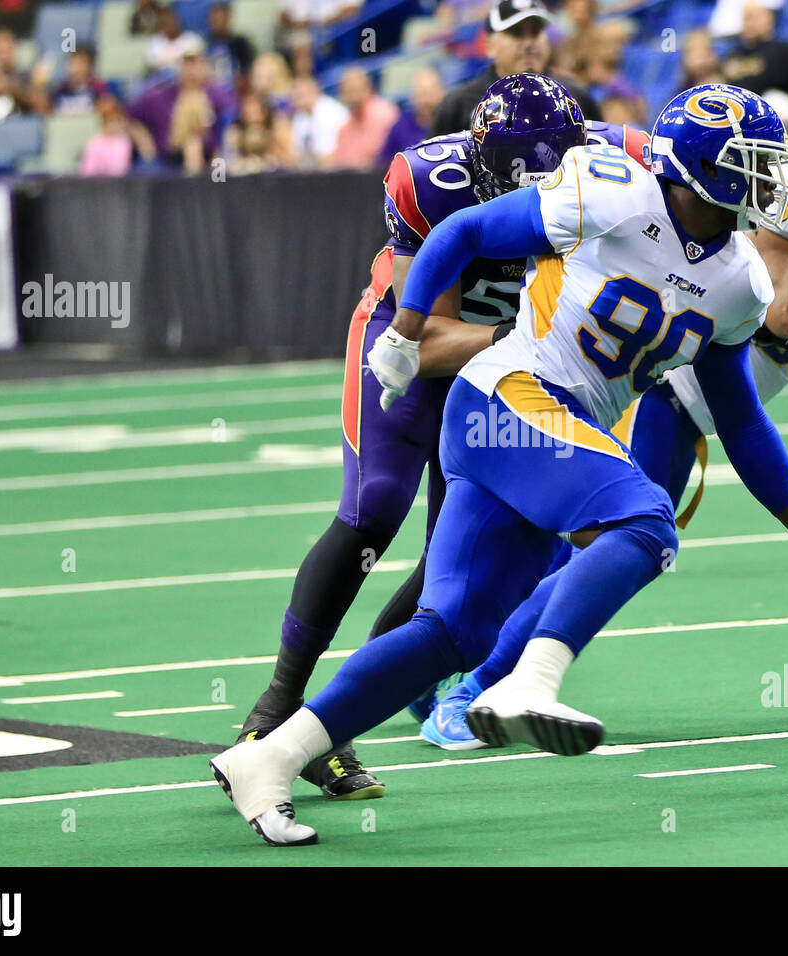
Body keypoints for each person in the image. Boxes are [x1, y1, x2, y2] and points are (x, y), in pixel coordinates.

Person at [212, 83, 788, 845]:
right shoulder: (611, 189)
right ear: (701, 169)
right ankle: (533, 680)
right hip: (509, 395)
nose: (770, 182)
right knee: (643, 519)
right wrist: (403, 328)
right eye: (753, 164)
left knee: (453, 631)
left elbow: (740, 419)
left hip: (539, 423)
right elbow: (461, 232)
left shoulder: (742, 282)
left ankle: (268, 757)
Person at [422, 111, 788, 749]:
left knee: (584, 556)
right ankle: (477, 687)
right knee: (606, 549)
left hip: (666, 410)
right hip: (636, 400)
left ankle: (468, 678)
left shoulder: (775, 256)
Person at [229, 74, 644, 806]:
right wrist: (538, 340)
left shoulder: (616, 159)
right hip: (415, 349)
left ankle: (330, 719)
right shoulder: (430, 180)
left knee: (461, 561)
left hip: (515, 370)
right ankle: (274, 707)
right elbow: (428, 331)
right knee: (375, 507)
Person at [430, 0, 602, 136]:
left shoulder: (574, 96)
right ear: (489, 45)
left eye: (535, 32)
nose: (528, 44)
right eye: (516, 33)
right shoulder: (458, 105)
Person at [322, 67, 399, 170]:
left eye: (356, 90)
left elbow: (382, 157)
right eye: (347, 91)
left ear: (368, 88)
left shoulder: (384, 114)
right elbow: (337, 161)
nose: (353, 96)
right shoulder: (345, 128)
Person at [378, 67, 445, 164]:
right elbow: (384, 164)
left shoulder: (456, 123)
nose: (427, 100)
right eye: (421, 94)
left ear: (442, 92)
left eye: (431, 93)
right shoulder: (400, 127)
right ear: (412, 97)